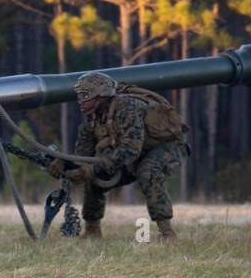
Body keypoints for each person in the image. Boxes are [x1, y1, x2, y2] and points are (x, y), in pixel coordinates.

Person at [50, 72, 188, 241]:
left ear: (101, 96)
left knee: (148, 172)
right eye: (79, 95)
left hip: (166, 147)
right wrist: (65, 165)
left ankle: (167, 234)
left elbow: (130, 150)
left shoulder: (127, 107)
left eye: (85, 95)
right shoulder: (91, 120)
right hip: (132, 155)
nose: (80, 100)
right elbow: (83, 158)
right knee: (94, 177)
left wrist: (91, 170)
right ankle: (92, 232)